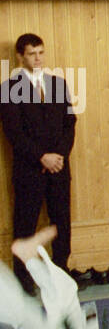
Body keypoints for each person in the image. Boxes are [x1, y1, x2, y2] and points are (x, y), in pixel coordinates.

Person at [0, 35, 76, 293]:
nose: (38, 58)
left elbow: (70, 124)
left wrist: (59, 156)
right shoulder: (9, 89)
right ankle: (24, 279)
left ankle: (62, 272)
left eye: (41, 52)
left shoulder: (57, 84)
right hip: (29, 169)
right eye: (32, 53)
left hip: (59, 166)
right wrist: (42, 157)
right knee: (26, 223)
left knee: (62, 220)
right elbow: (14, 133)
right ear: (21, 56)